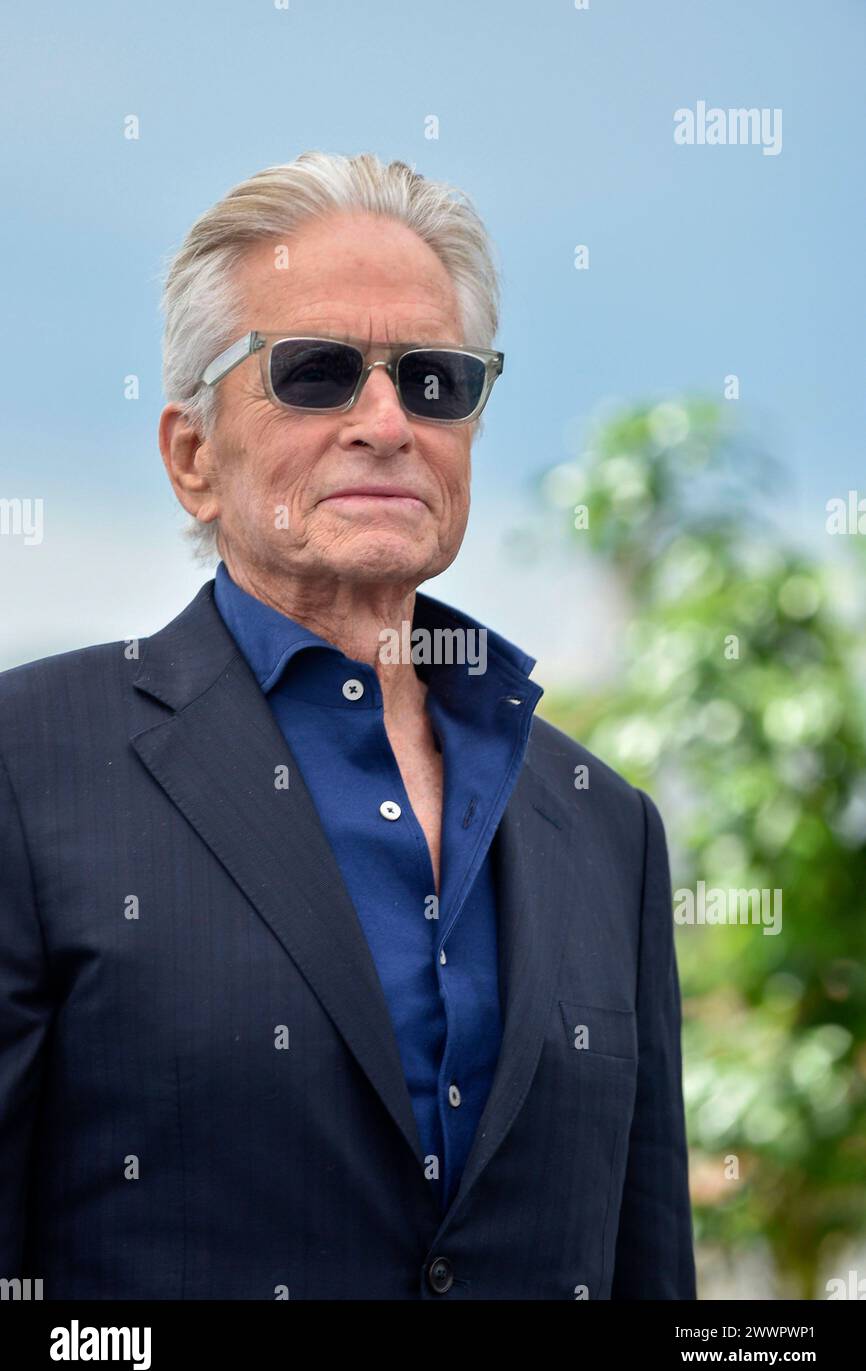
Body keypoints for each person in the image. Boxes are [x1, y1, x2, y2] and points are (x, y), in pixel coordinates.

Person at [0, 152, 695, 1299]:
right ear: (191, 456)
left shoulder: (607, 828)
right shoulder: (30, 768)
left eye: (433, 379)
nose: (385, 420)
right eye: (317, 372)